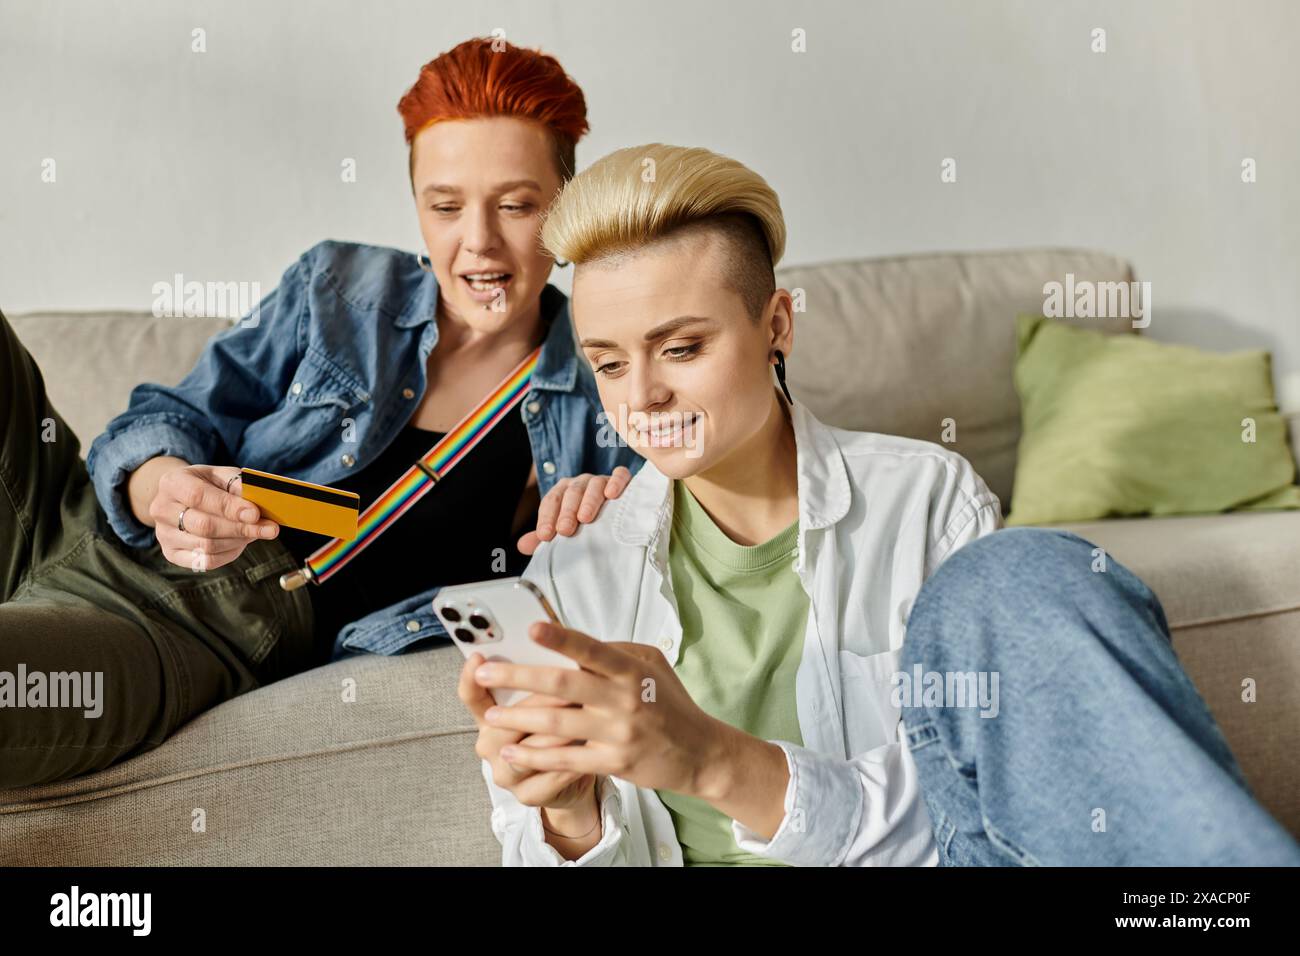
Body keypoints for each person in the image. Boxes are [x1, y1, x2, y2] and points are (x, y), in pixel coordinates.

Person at [457, 143, 1300, 866]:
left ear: (777, 325)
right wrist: (569, 817)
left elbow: (979, 809)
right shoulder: (577, 559)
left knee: (1027, 571)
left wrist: (713, 760)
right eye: (607, 364)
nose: (641, 395)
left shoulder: (926, 501)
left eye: (680, 347)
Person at [0, 38, 640, 789]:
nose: (478, 242)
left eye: (516, 205)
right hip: (66, 513)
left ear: (566, 205)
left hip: (179, 625)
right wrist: (160, 486)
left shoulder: (605, 385)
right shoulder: (338, 286)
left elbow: (654, 558)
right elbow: (174, 413)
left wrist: (609, 522)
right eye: (445, 206)